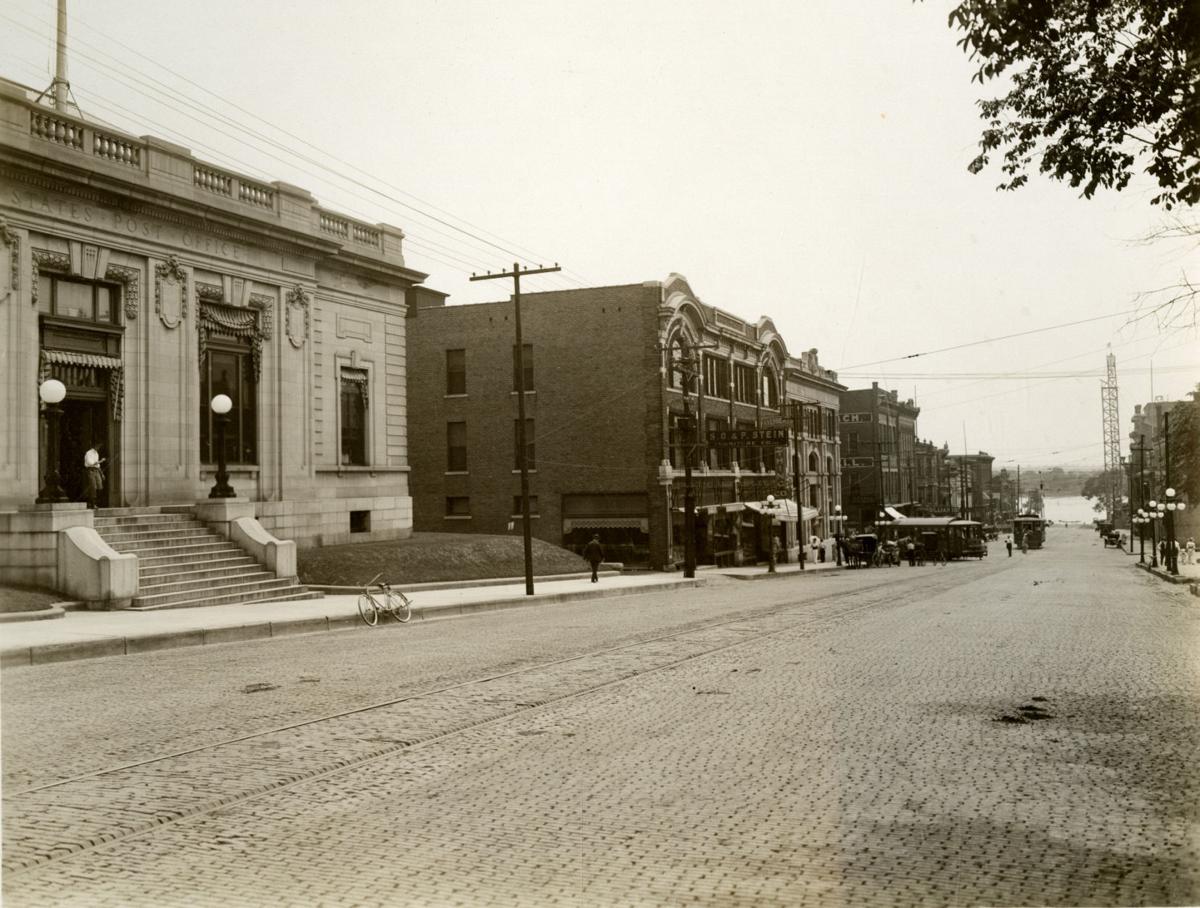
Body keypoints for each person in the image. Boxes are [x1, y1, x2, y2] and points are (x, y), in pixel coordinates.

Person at [83, 443, 105, 510]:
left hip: (96, 471)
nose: (98, 447)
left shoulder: (96, 453)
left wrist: (102, 474)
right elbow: (91, 463)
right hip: (90, 470)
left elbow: (98, 466)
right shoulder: (88, 453)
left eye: (99, 446)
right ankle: (93, 504)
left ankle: (96, 503)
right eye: (98, 446)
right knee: (93, 487)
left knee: (100, 486)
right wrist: (100, 461)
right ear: (94, 446)